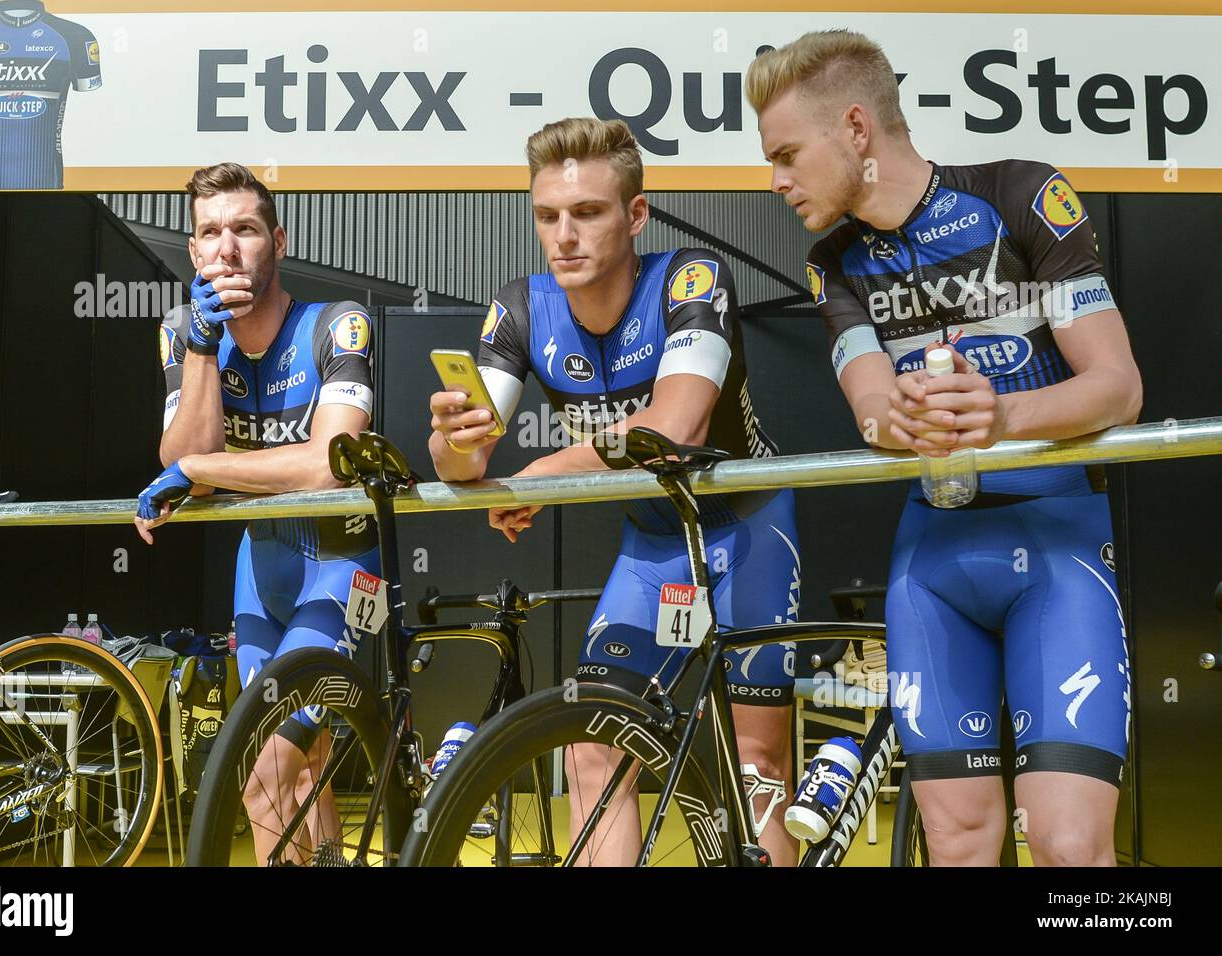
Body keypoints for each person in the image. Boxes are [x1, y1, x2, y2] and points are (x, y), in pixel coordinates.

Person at [747, 30, 1142, 866]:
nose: (775, 181)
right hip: (934, 564)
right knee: (959, 845)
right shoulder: (834, 263)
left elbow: (1118, 386)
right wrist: (894, 416)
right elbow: (870, 404)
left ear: (855, 128)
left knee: (1071, 850)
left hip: (1058, 543)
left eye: (786, 154)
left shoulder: (1024, 196)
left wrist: (999, 415)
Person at [427, 118, 801, 865]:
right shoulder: (523, 307)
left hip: (749, 531)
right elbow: (458, 464)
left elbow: (677, 425)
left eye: (588, 212)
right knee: (592, 744)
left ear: (635, 215)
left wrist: (540, 474)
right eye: (547, 216)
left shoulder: (691, 278)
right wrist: (453, 436)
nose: (563, 234)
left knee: (758, 773)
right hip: (654, 547)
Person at [134, 162, 378, 866]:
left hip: (343, 566)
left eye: (244, 229)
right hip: (260, 573)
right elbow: (187, 460)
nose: (227, 249)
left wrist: (200, 471)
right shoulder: (183, 331)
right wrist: (206, 347)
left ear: (278, 240)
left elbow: (331, 461)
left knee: (267, 770)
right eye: (210, 233)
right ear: (193, 251)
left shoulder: (339, 324)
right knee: (302, 769)